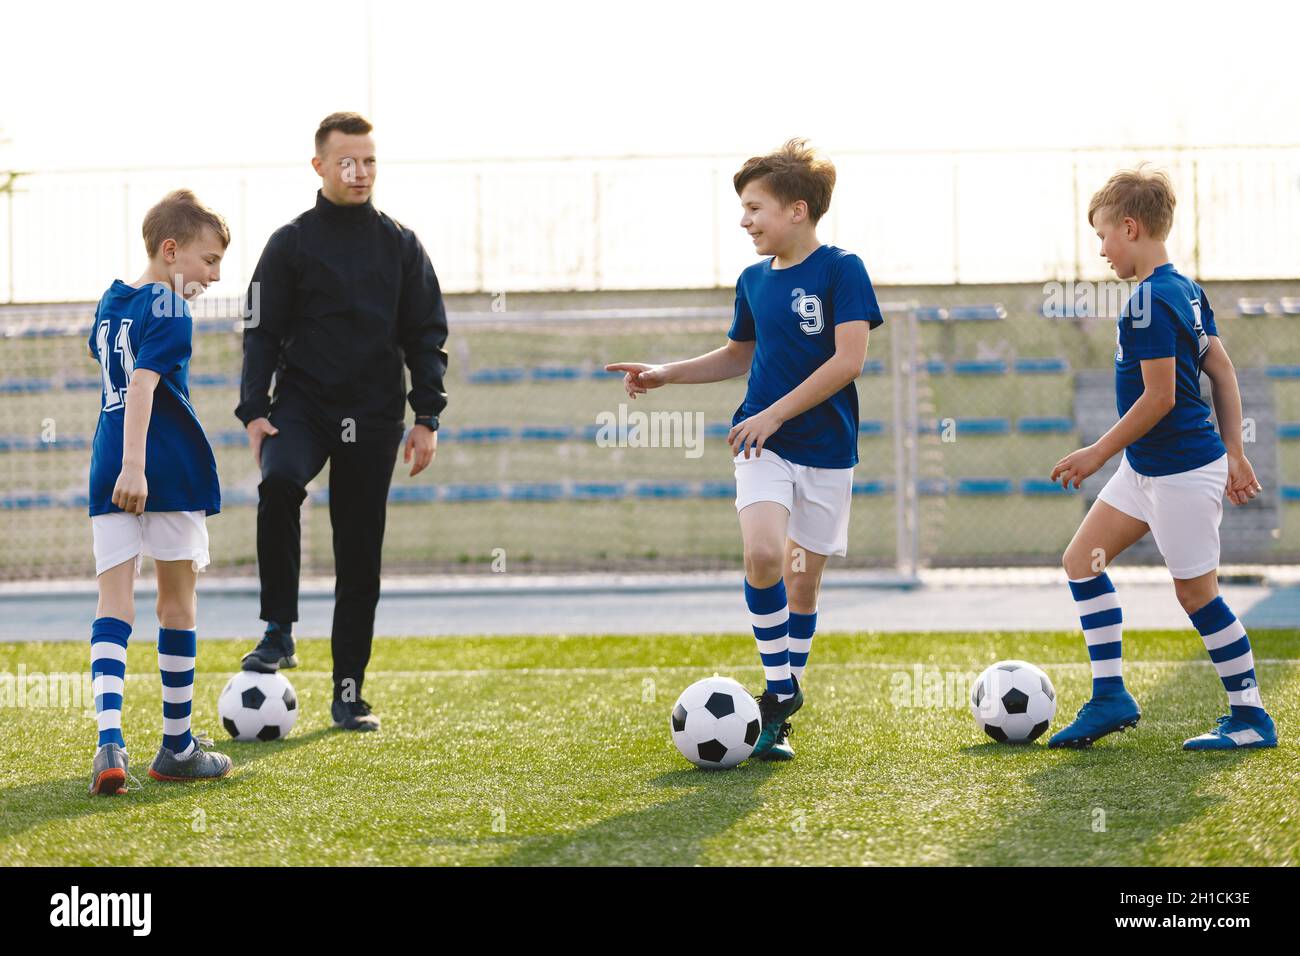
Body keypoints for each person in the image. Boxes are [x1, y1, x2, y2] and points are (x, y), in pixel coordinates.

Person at [607, 139, 882, 761]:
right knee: (763, 555)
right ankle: (781, 693)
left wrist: (776, 411)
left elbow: (849, 361)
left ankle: (780, 708)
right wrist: (666, 373)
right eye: (742, 207)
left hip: (828, 450)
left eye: (755, 206)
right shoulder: (753, 280)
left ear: (798, 210)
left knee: (802, 588)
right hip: (761, 445)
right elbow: (739, 353)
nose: (744, 219)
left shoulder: (843, 269)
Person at [235, 112, 449, 732]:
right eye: (348, 161)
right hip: (302, 408)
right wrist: (254, 409)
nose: (361, 172)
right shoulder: (290, 243)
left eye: (370, 161)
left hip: (376, 414)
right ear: (321, 166)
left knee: (359, 557)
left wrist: (426, 415)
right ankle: (278, 629)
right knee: (278, 486)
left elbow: (426, 333)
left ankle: (348, 694)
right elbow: (262, 330)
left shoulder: (401, 244)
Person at [1049, 165, 1274, 751]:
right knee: (1081, 561)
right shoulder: (1185, 289)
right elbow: (1220, 370)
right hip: (1146, 471)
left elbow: (1162, 396)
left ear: (1130, 226)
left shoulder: (1149, 300)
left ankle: (1251, 719)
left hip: (1179, 474)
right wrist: (1237, 452)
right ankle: (1109, 698)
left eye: (1102, 235)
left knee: (1197, 595)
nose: (1100, 250)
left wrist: (1097, 452)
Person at [87, 189, 233, 795]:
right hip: (161, 471)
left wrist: (119, 464)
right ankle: (176, 746)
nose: (213, 275)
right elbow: (144, 386)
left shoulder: (110, 301)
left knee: (112, 607)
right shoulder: (170, 308)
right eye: (207, 260)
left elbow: (114, 370)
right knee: (176, 605)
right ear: (171, 251)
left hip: (104, 469)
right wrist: (137, 467)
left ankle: (108, 743)